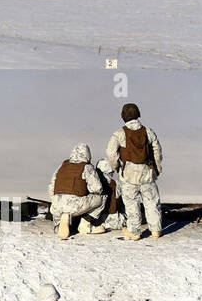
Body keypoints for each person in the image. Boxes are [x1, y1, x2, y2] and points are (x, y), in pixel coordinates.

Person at [105, 102, 164, 241]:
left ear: (123, 117)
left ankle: (135, 232)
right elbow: (157, 151)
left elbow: (110, 153)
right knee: (151, 201)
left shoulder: (119, 134)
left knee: (131, 203)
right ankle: (156, 230)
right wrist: (157, 168)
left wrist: (117, 167)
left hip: (129, 172)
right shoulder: (148, 131)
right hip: (147, 171)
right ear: (138, 114)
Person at [49, 143, 109, 239]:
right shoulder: (87, 167)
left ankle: (59, 224)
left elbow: (51, 188)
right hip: (75, 205)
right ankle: (85, 224)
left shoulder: (62, 166)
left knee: (60, 204)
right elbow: (97, 188)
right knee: (102, 197)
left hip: (56, 205)